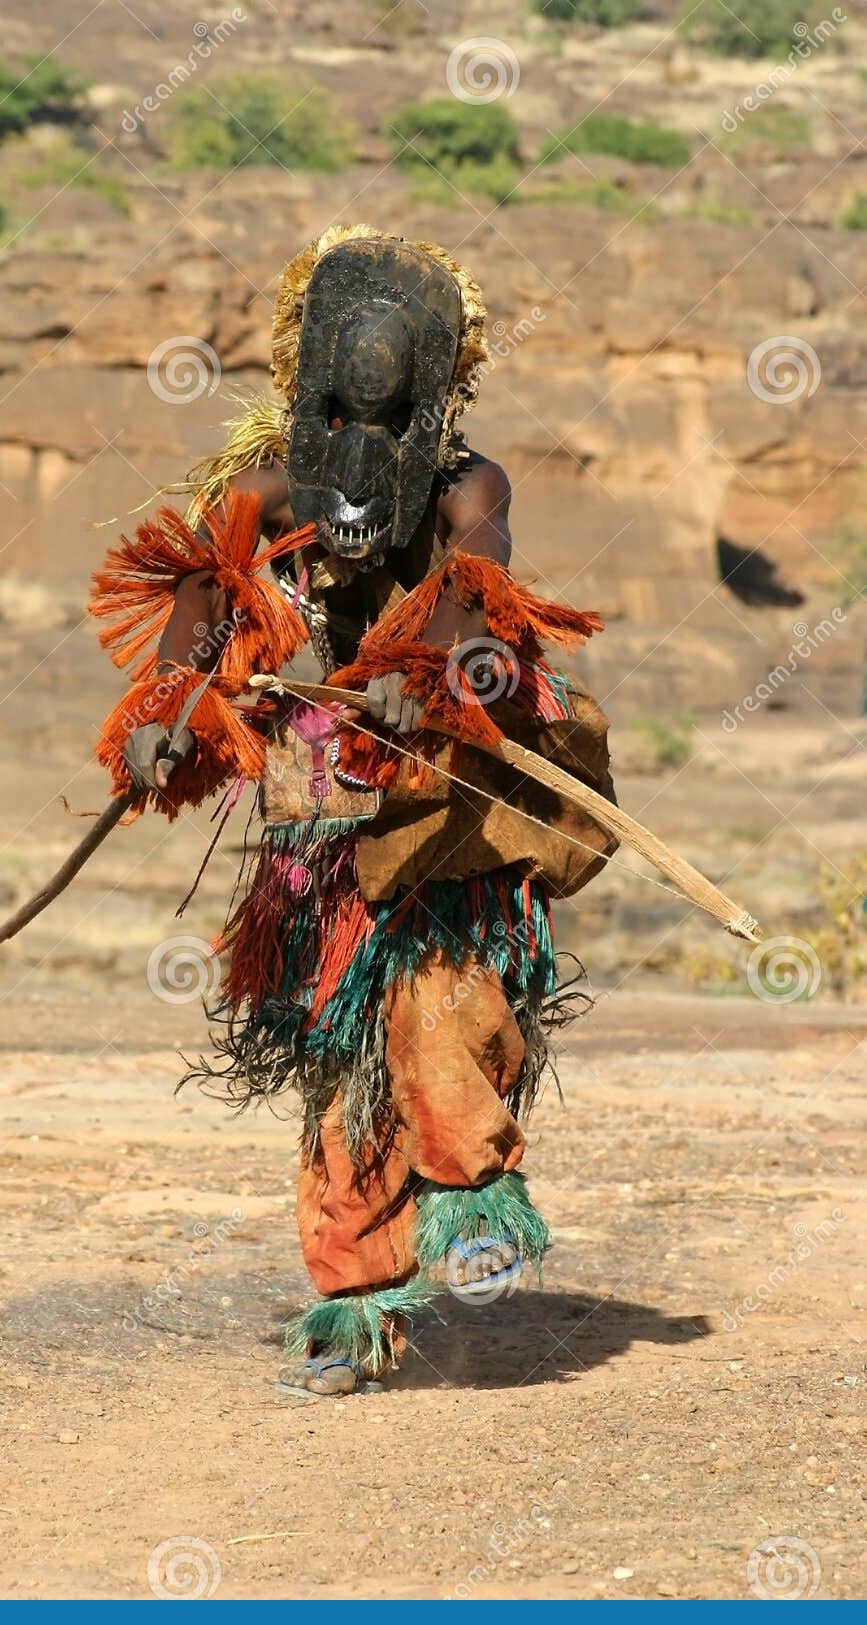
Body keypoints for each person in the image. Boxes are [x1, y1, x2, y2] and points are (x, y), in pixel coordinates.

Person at [89, 225, 617, 1395]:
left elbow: (478, 591)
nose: (364, 449)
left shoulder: (464, 485)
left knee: (442, 1007)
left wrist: (429, 666)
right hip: (319, 814)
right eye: (345, 418)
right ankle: (353, 1312)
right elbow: (205, 599)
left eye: (390, 425)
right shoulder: (264, 488)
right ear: (308, 387)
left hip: (438, 807)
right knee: (340, 1055)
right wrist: (164, 710)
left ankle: (473, 1207)